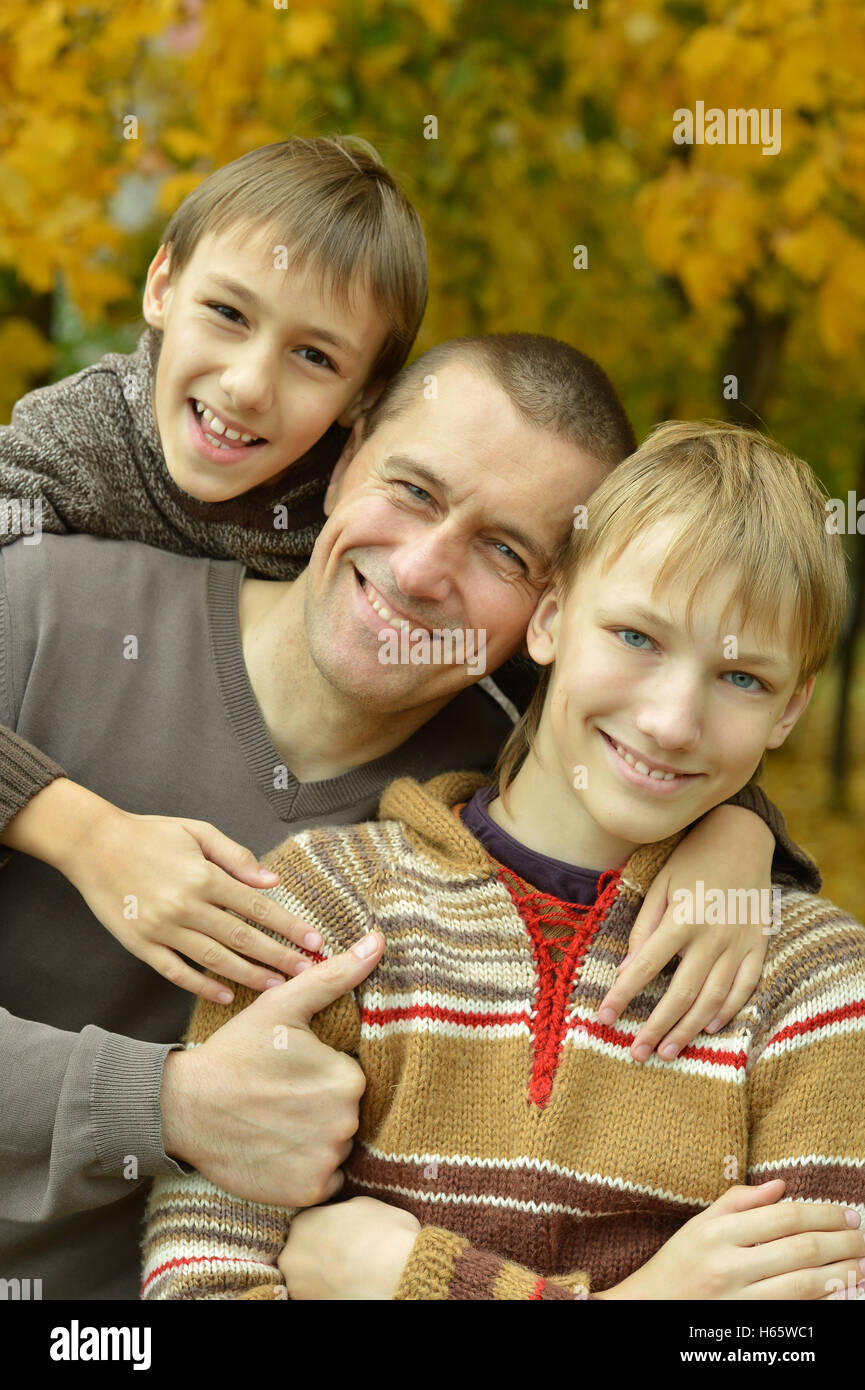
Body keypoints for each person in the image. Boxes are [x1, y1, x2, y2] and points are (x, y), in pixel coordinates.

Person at [0, 341, 802, 1300]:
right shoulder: (43, 608)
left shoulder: (480, 824)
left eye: (503, 551)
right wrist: (159, 1103)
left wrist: (742, 832)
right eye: (413, 490)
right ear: (343, 463)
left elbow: (672, 718)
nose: (422, 569)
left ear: (547, 610)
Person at [0, 131, 427, 939]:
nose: (248, 385)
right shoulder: (81, 439)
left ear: (360, 398)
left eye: (312, 355)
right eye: (228, 313)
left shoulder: (365, 523)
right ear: (162, 284)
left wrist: (735, 827)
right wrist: (86, 833)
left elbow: (579, 679)